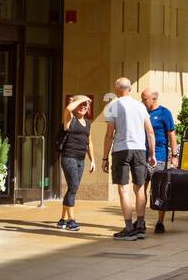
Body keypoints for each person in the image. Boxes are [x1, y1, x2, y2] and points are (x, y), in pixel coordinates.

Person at [101, 77, 156, 241]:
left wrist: (104, 157)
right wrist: (152, 154)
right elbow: (150, 131)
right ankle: (140, 226)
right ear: (130, 89)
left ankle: (129, 228)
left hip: (121, 150)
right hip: (139, 149)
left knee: (123, 189)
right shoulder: (140, 106)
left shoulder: (113, 105)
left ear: (117, 89)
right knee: (139, 188)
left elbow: (110, 134)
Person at [140, 89, 177, 234]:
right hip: (141, 155)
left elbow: (172, 135)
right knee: (140, 189)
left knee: (159, 190)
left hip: (159, 157)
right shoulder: (141, 111)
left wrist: (174, 155)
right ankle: (140, 220)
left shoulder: (164, 113)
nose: (143, 101)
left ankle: (160, 222)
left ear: (154, 99)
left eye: (145, 99)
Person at [56, 94, 95, 231]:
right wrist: (80, 100)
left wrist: (93, 160)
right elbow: (67, 109)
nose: (83, 107)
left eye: (86, 105)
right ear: (76, 104)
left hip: (81, 159)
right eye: (81, 104)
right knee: (73, 187)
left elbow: (89, 142)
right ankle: (71, 220)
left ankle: (62, 219)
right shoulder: (70, 119)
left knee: (73, 188)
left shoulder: (88, 123)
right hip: (69, 157)